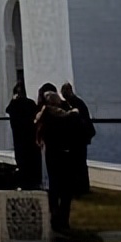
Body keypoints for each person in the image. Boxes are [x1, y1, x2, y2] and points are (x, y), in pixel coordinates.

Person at [35, 88, 79, 232]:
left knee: (54, 186)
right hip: (63, 153)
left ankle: (54, 217)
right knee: (65, 189)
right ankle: (62, 220)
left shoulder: (43, 115)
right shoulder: (64, 116)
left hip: (50, 152)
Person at [61, 83, 95, 195]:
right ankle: (80, 186)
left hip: (78, 139)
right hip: (79, 139)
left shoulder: (76, 104)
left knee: (78, 164)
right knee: (79, 164)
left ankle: (81, 187)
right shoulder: (76, 103)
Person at [6, 82, 42, 189]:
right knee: (32, 160)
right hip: (30, 136)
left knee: (22, 159)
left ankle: (24, 181)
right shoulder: (30, 103)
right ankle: (34, 181)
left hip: (19, 137)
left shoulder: (15, 104)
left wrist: (13, 100)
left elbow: (8, 110)